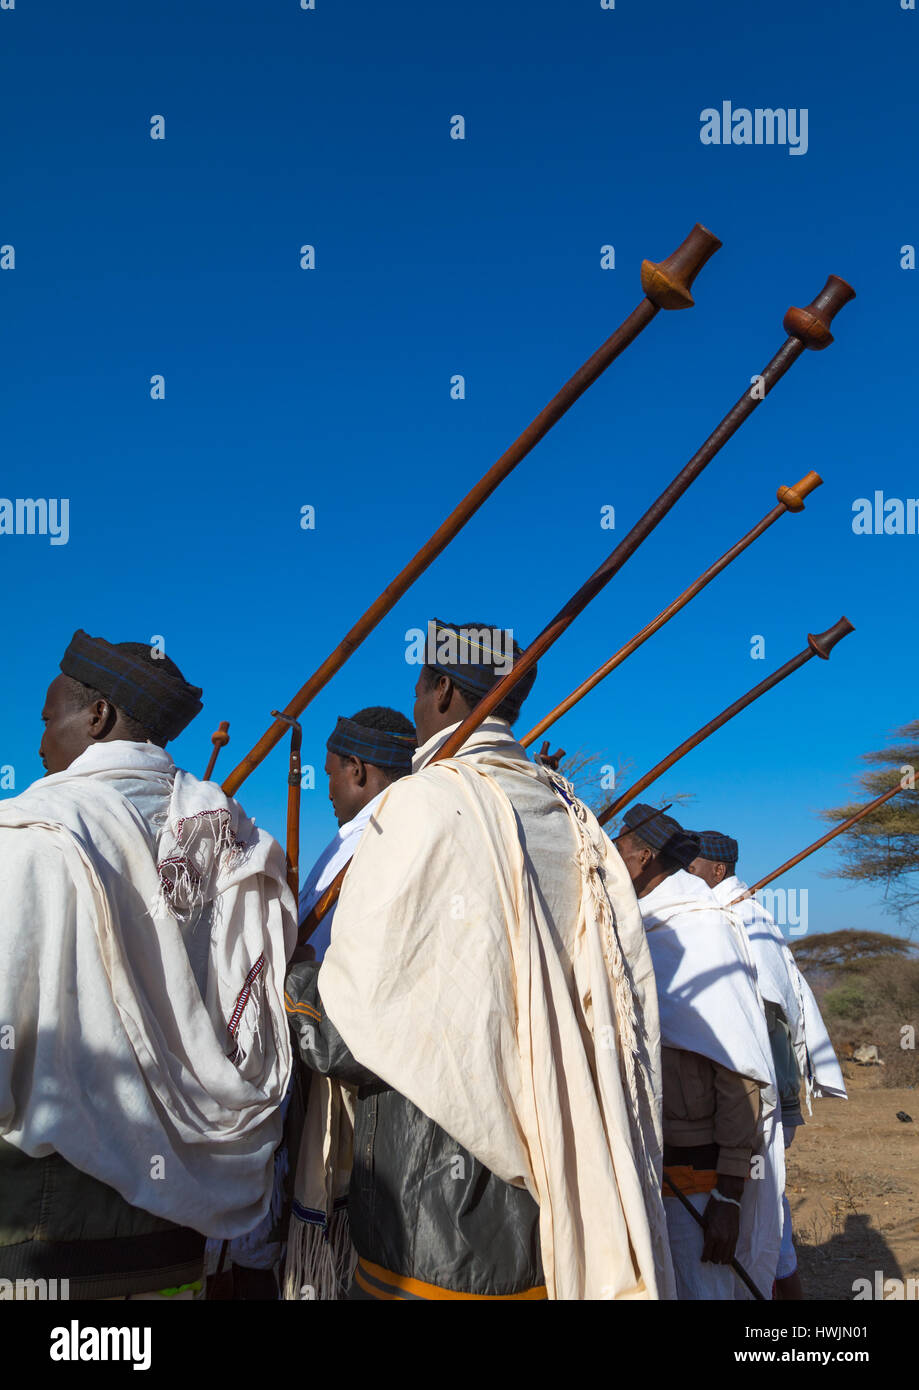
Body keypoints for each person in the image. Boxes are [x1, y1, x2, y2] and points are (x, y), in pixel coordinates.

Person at [283, 618, 671, 1300]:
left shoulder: (419, 804)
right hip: (560, 1174)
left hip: (430, 1204)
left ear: (438, 689)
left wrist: (282, 980)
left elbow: (351, 1032)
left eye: (417, 685)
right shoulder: (568, 812)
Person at [0, 630, 296, 1299]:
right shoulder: (241, 844)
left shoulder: (32, 832)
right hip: (181, 1228)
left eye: (49, 721)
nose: (40, 743)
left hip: (45, 1225)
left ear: (97, 716)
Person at [615, 804, 782, 1300]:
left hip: (698, 1173)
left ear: (642, 857)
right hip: (646, 1155)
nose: (611, 856)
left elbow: (739, 1070)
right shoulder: (637, 927)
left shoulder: (701, 931)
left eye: (619, 848)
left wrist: (728, 1194)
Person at [687, 828, 847, 1300]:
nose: (686, 877)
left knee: (756, 1210)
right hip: (756, 1094)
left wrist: (765, 1100)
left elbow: (771, 1013)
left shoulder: (744, 921)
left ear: (717, 871)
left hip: (760, 1095)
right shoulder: (723, 917)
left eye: (693, 869)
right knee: (767, 1215)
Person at [299, 707, 416, 962]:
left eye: (330, 774)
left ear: (355, 768)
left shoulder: (363, 841)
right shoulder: (413, 823)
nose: (329, 793)